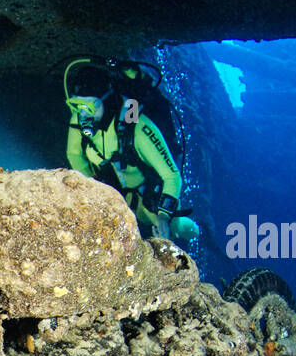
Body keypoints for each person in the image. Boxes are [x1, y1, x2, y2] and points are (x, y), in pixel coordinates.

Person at [63, 58, 200, 241]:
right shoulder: (79, 119)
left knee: (177, 229)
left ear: (108, 98)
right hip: (114, 193)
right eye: (76, 106)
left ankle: (196, 230)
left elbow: (172, 175)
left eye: (89, 106)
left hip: (146, 198)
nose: (83, 114)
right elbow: (73, 154)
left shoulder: (137, 125)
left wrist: (163, 217)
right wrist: (90, 186)